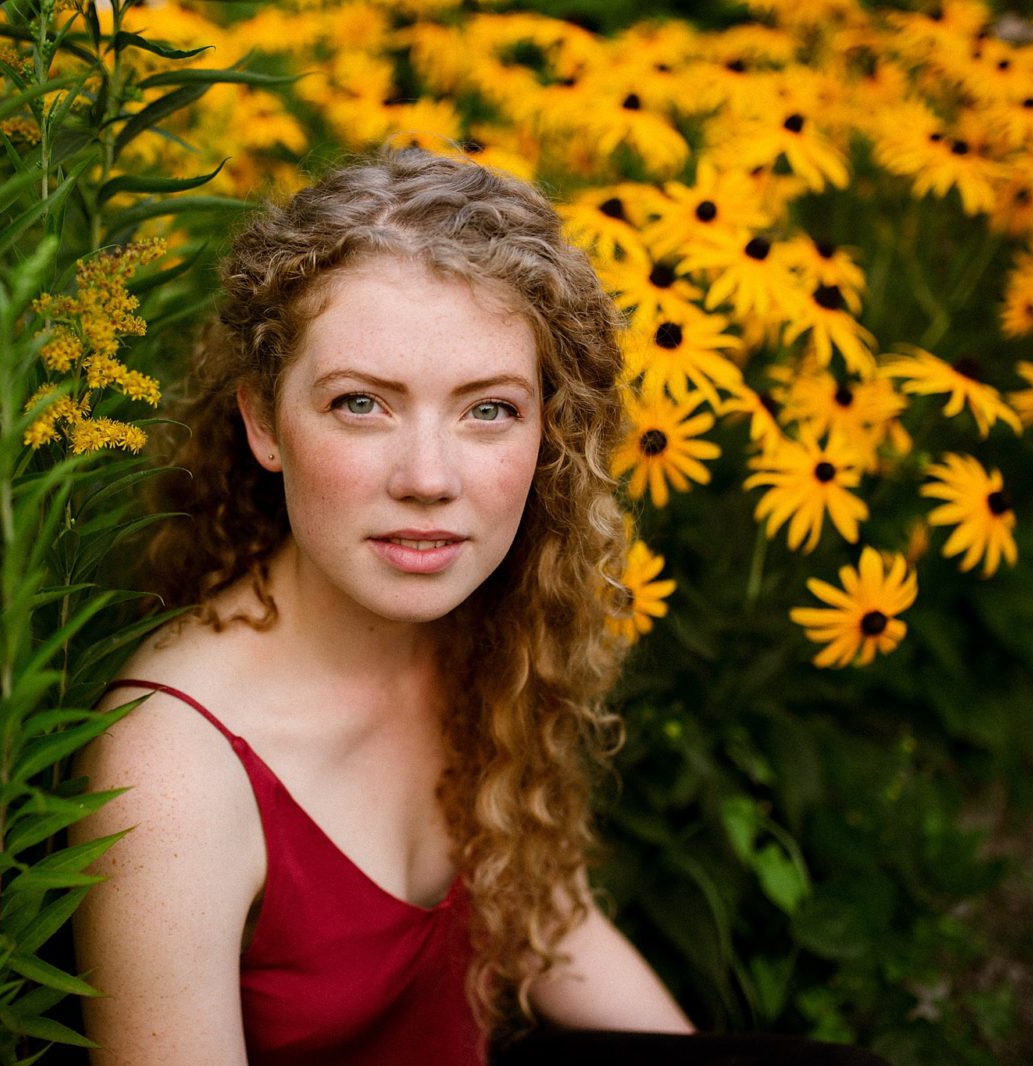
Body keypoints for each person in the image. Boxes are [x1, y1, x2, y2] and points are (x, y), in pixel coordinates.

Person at [68, 149, 694, 1064]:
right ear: (263, 422)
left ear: (548, 429)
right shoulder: (173, 775)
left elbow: (546, 917)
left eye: (489, 410)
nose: (428, 479)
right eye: (362, 404)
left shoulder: (480, 631)